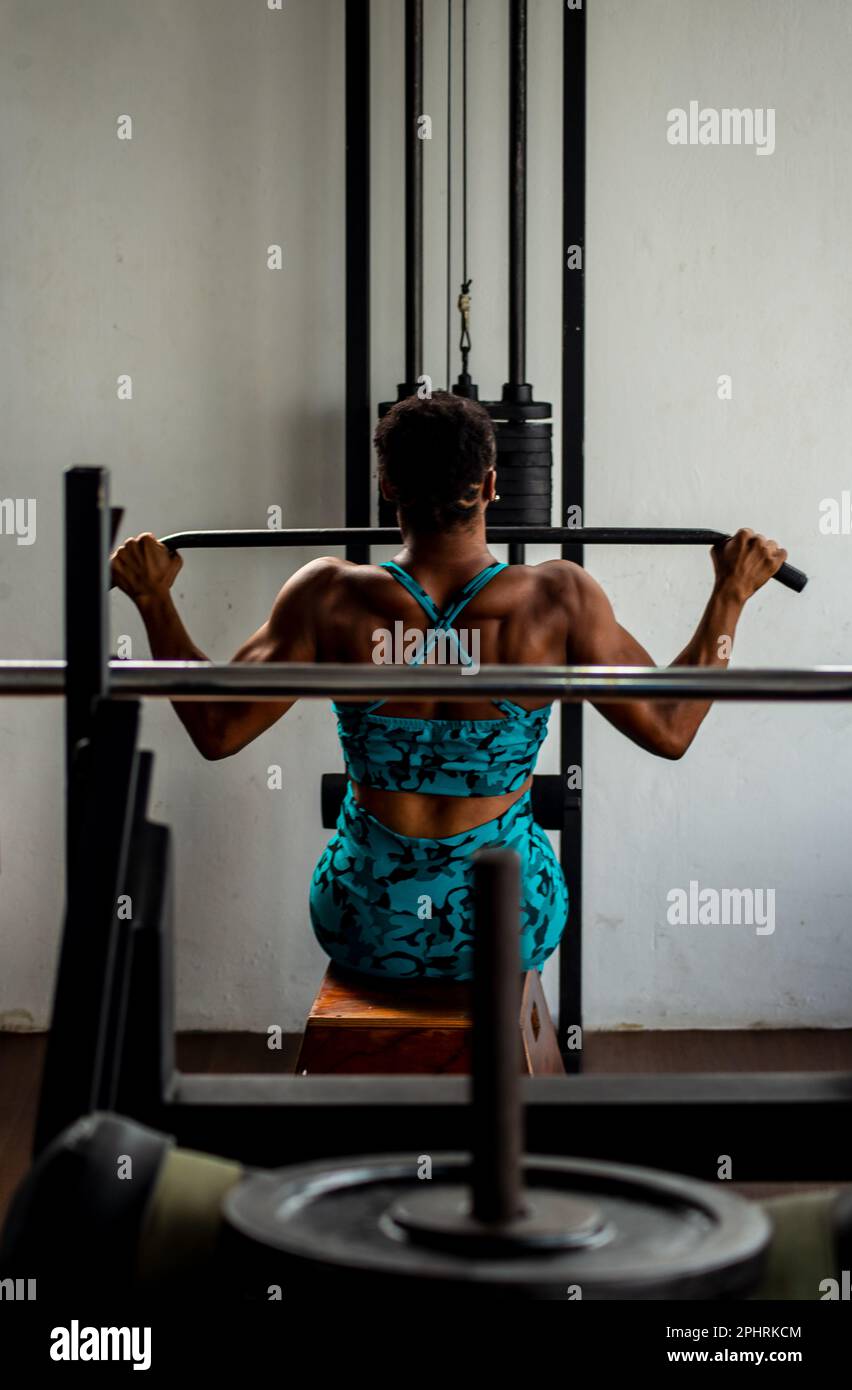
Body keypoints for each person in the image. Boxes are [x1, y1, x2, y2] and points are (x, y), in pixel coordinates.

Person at [110, 391, 788, 981]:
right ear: (491, 486)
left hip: (365, 919)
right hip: (507, 922)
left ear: (388, 487)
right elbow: (671, 730)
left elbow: (216, 728)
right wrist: (731, 595)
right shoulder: (558, 600)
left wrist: (154, 602)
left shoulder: (327, 596)